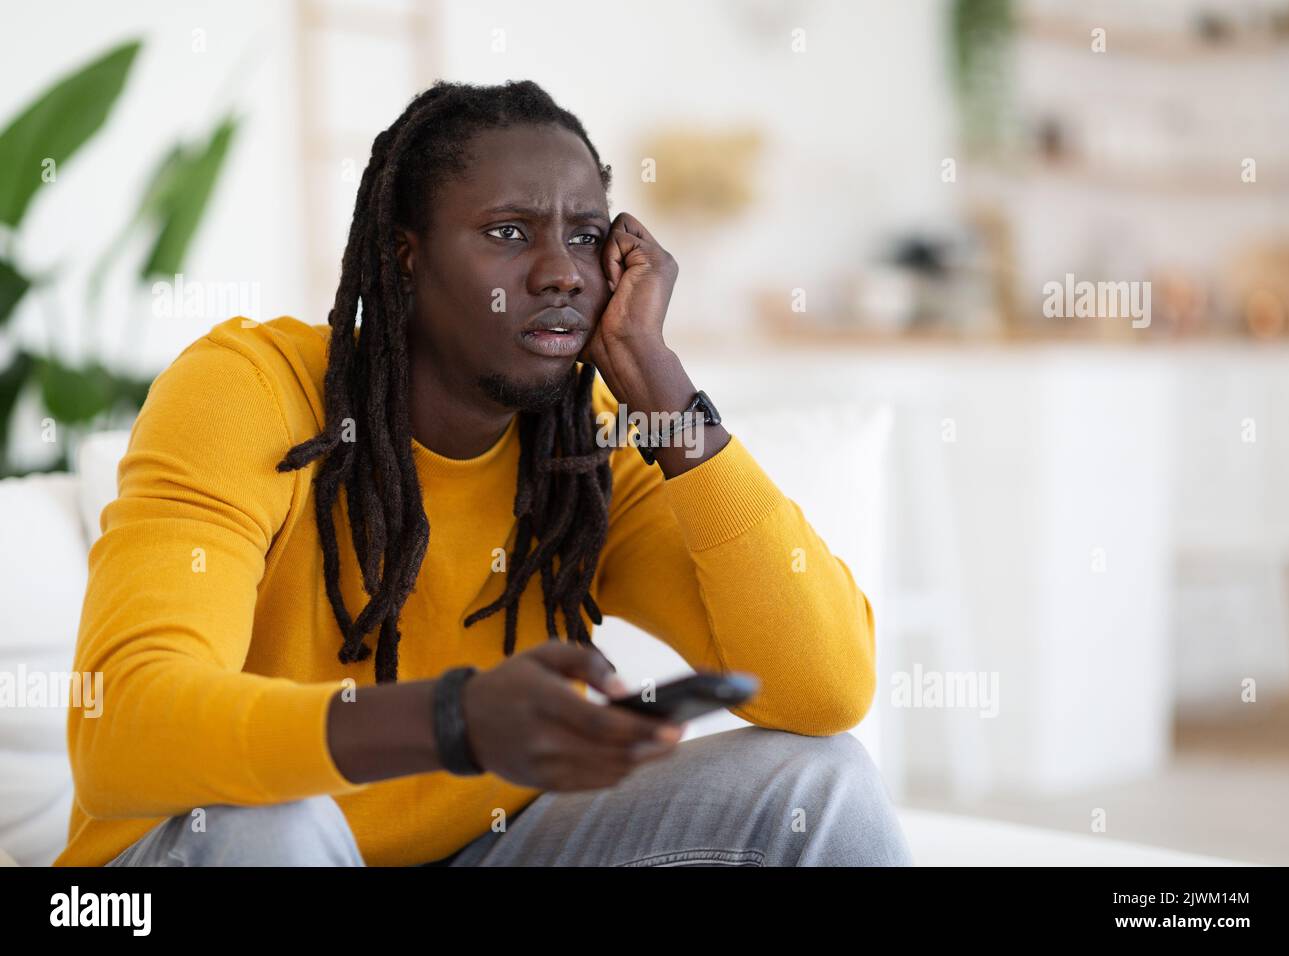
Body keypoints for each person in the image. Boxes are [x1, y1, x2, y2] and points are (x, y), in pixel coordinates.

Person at [55, 79, 911, 867]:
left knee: (820, 783)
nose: (562, 272)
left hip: (486, 849)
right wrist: (452, 721)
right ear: (403, 255)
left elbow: (826, 691)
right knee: (275, 821)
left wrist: (660, 384)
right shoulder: (248, 391)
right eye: (508, 233)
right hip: (189, 861)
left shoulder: (588, 447)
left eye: (585, 237)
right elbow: (120, 727)